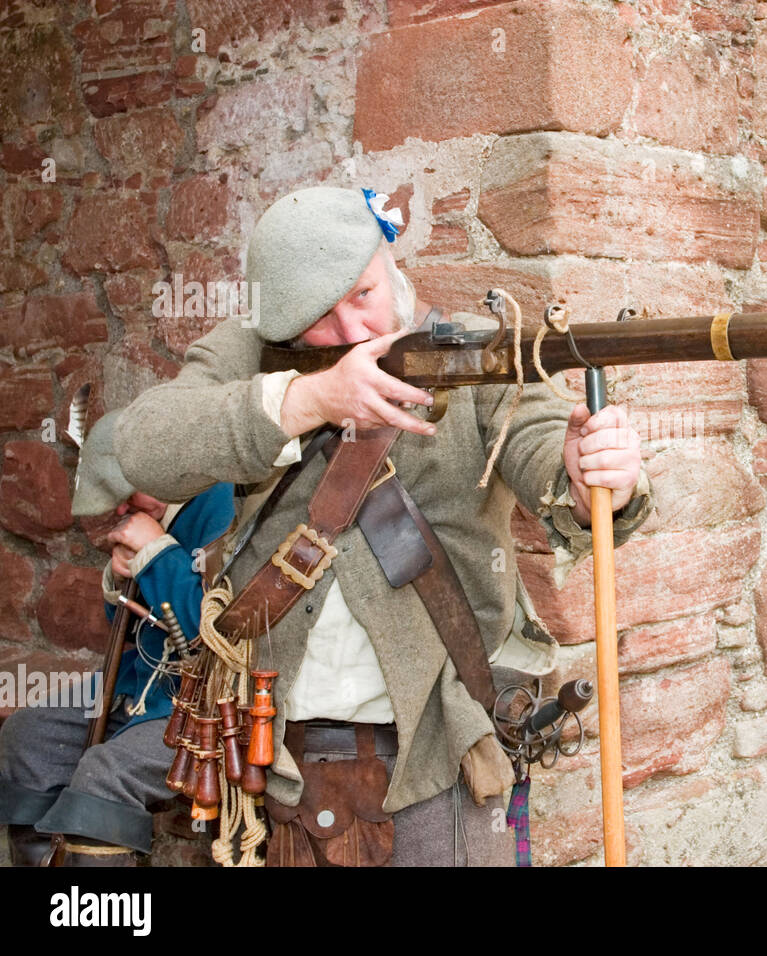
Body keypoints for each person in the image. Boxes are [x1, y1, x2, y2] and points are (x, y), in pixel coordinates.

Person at [109, 186, 653, 866]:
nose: (352, 332)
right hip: (271, 759)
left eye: (362, 295)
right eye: (319, 319)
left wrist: (590, 473)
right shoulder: (253, 357)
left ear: (386, 260)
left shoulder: (478, 354)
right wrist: (309, 397)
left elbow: (549, 450)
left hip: (440, 751)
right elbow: (142, 447)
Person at [0, 412, 235, 865]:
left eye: (129, 495)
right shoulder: (153, 511)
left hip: (200, 700)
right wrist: (121, 574)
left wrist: (157, 553)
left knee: (105, 774)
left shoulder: (227, 506)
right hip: (139, 685)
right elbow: (125, 623)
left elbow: (209, 635)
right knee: (27, 737)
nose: (122, 509)